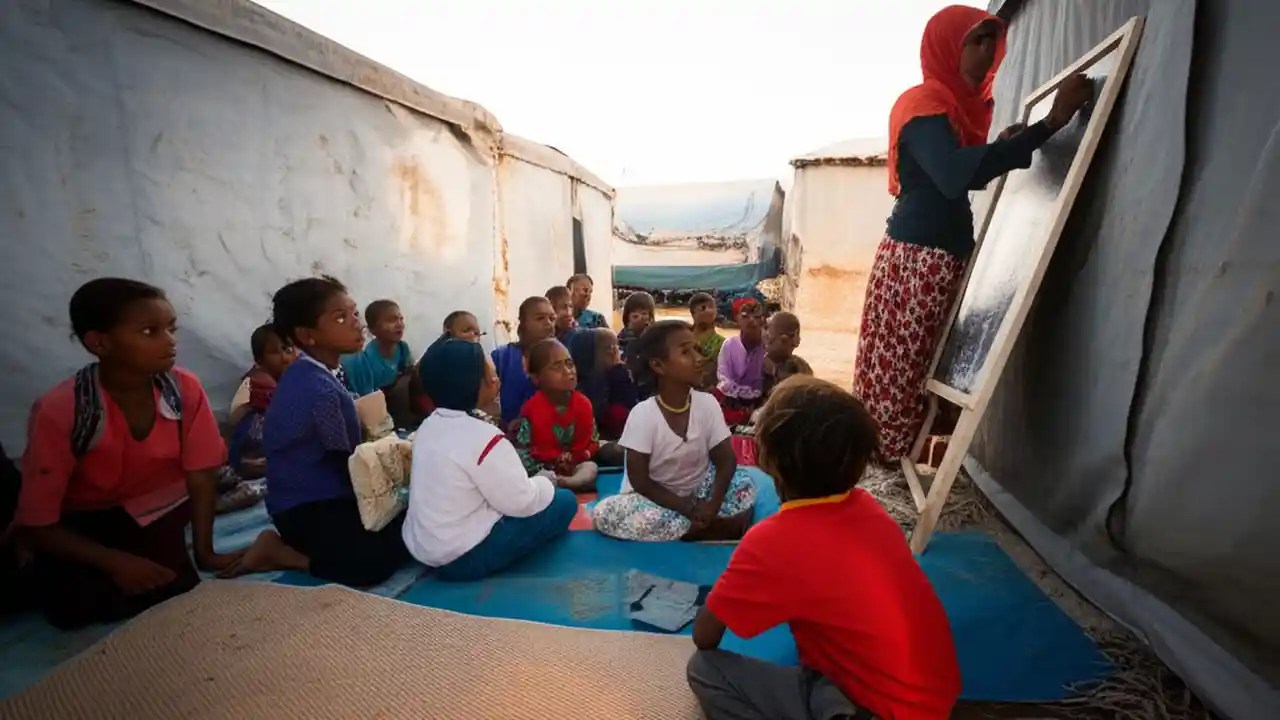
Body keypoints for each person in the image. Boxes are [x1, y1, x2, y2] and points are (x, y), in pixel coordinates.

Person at [853, 5, 1093, 462]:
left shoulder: (949, 109)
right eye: (977, 40)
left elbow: (960, 170)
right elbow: (951, 175)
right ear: (949, 47)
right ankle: (889, 455)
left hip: (933, 252)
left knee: (918, 362)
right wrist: (1049, 125)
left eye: (991, 40)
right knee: (903, 367)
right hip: (918, 258)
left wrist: (1000, 148)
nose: (989, 51)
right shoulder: (924, 104)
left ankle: (895, 451)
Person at [687, 376, 961, 720]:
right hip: (932, 703)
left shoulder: (773, 541)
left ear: (765, 457)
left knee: (704, 669)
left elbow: (704, 636)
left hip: (876, 709)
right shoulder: (869, 508)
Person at [15, 279, 282, 629]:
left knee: (172, 587)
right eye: (149, 331)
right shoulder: (63, 409)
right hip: (86, 518)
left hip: (159, 510)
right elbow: (39, 519)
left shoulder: (183, 388)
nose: (170, 341)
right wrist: (114, 562)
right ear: (100, 343)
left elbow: (201, 475)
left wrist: (206, 552)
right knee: (71, 608)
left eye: (171, 329)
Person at [262, 276, 406, 587]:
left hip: (324, 494)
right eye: (340, 318)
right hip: (306, 506)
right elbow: (347, 461)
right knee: (377, 561)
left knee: (407, 524)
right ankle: (282, 554)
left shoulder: (323, 372)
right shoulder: (318, 388)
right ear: (307, 335)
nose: (356, 324)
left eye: (353, 314)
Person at [403, 338, 577, 581]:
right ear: (467, 385)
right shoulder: (484, 437)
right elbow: (521, 502)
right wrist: (546, 481)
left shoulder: (428, 426)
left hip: (423, 548)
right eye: (490, 377)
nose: (497, 381)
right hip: (462, 558)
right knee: (565, 503)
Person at [592, 321, 756, 542]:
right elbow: (640, 482)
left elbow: (726, 460)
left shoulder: (707, 404)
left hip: (698, 490)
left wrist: (712, 505)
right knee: (606, 513)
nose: (699, 359)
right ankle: (713, 527)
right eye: (686, 352)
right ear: (658, 365)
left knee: (744, 482)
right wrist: (687, 508)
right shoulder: (643, 414)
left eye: (697, 349)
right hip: (653, 499)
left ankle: (699, 526)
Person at [511, 339, 621, 491]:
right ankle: (564, 483)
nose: (567, 371)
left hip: (578, 462)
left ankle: (570, 482)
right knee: (522, 463)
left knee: (591, 467)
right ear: (536, 378)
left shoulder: (583, 403)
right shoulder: (531, 409)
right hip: (544, 466)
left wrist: (578, 456)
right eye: (556, 367)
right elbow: (525, 449)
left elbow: (592, 440)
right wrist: (552, 461)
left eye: (569, 364)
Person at [491, 296, 557, 428]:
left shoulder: (561, 357)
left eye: (552, 318)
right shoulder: (502, 357)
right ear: (523, 323)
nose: (548, 323)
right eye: (540, 318)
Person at [568, 328, 638, 442]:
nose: (616, 353)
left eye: (617, 347)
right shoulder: (580, 390)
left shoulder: (617, 376)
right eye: (610, 348)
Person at [340, 299, 413, 398]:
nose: (399, 324)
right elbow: (368, 397)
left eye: (401, 319)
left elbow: (409, 372)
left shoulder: (402, 348)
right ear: (373, 329)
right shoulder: (366, 361)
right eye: (391, 320)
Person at [715, 298, 767, 425]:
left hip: (762, 401)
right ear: (736, 319)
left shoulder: (768, 346)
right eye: (745, 316)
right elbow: (724, 377)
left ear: (763, 319)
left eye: (757, 316)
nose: (752, 320)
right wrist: (740, 395)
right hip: (733, 400)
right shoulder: (729, 345)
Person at [760, 312, 813, 399]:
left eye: (770, 334)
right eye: (766, 330)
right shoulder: (756, 365)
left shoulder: (801, 368)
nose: (766, 337)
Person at [690, 292, 724, 390]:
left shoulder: (722, 343)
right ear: (693, 313)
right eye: (703, 308)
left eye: (711, 307)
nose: (709, 311)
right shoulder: (684, 337)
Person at [617, 291, 656, 363]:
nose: (640, 317)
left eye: (644, 313)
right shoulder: (623, 335)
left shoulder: (655, 333)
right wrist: (631, 331)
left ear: (650, 316)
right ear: (628, 317)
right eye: (635, 315)